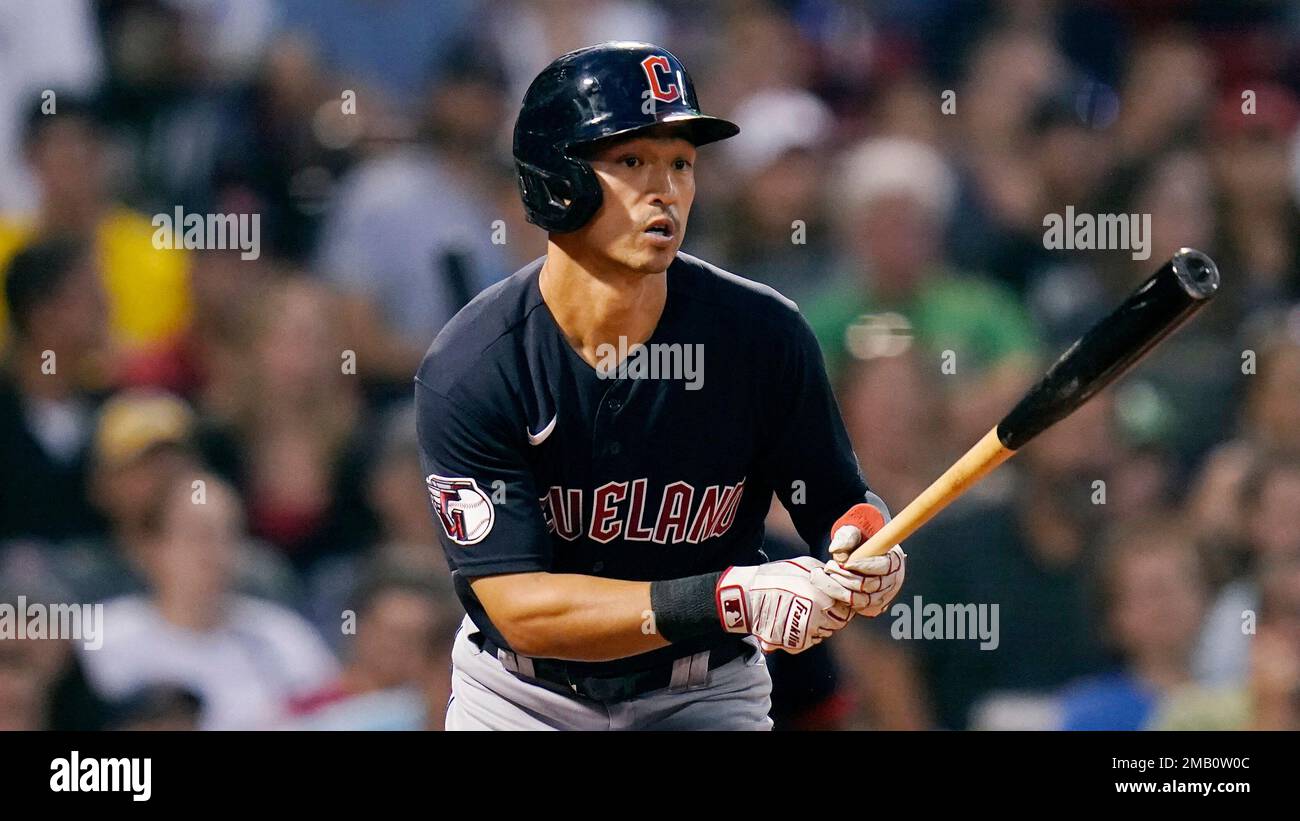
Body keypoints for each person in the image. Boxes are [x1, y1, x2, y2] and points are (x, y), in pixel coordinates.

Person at [415, 42, 906, 731]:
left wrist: (865, 544)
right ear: (557, 180)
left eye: (680, 162)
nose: (665, 188)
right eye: (631, 161)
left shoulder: (762, 337)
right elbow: (519, 607)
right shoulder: (476, 364)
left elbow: (839, 503)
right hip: (525, 699)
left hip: (700, 693)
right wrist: (729, 596)